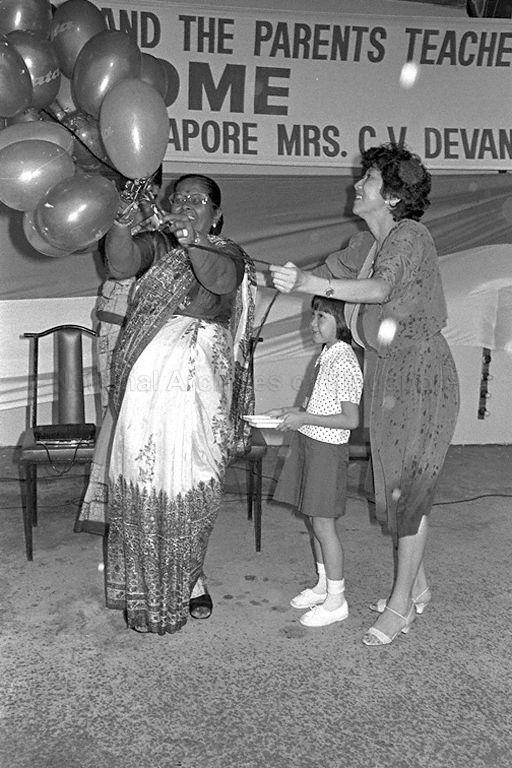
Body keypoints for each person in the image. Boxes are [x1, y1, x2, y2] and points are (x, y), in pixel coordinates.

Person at [270, 142, 459, 646]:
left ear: (394, 195)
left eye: (369, 179)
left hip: (421, 375)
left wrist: (309, 280)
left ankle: (401, 606)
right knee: (395, 488)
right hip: (391, 375)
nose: (358, 184)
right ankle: (416, 587)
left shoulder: (410, 236)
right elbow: (329, 274)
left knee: (408, 492)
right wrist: (257, 269)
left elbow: (379, 289)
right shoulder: (364, 245)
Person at [80, 173, 256, 634]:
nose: (185, 204)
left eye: (198, 200)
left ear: (217, 214)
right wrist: (120, 223)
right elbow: (120, 264)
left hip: (200, 392)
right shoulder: (157, 247)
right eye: (178, 198)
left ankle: (191, 577)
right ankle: (143, 590)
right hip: (145, 388)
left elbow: (219, 280)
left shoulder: (229, 253)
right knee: (141, 479)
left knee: (195, 482)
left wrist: (193, 239)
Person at [271, 295, 363, 627]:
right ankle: (324, 585)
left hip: (327, 452)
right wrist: (290, 415)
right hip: (311, 443)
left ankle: (337, 600)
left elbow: (350, 419)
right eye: (314, 316)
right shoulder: (326, 354)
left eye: (321, 317)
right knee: (313, 520)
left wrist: (304, 416)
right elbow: (317, 406)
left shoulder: (345, 360)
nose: (313, 323)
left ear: (342, 322)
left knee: (324, 525)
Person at [94, 166, 163, 411]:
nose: (128, 193)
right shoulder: (111, 220)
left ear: (154, 188)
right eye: (122, 187)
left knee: (152, 408)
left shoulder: (165, 225)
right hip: (115, 326)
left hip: (157, 330)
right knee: (114, 408)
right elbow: (113, 265)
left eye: (137, 186)